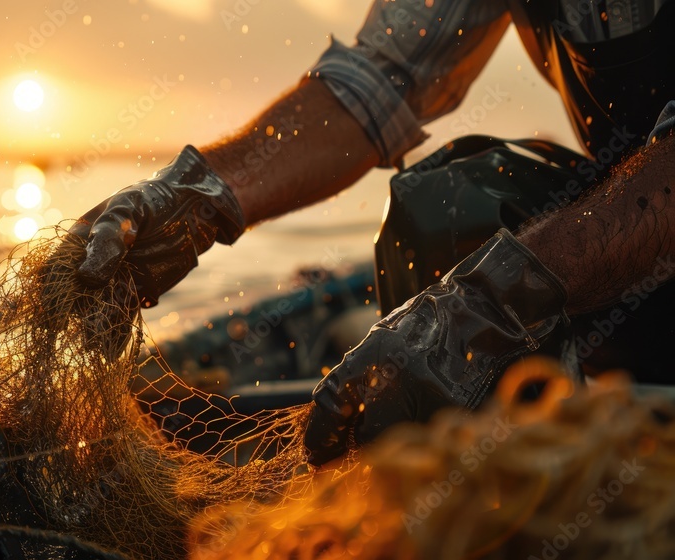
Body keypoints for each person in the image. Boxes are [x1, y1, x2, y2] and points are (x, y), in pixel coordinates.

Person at [69, 0, 675, 467]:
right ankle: (493, 495)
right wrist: (197, 196)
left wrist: (494, 301)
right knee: (446, 206)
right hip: (632, 269)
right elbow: (374, 84)